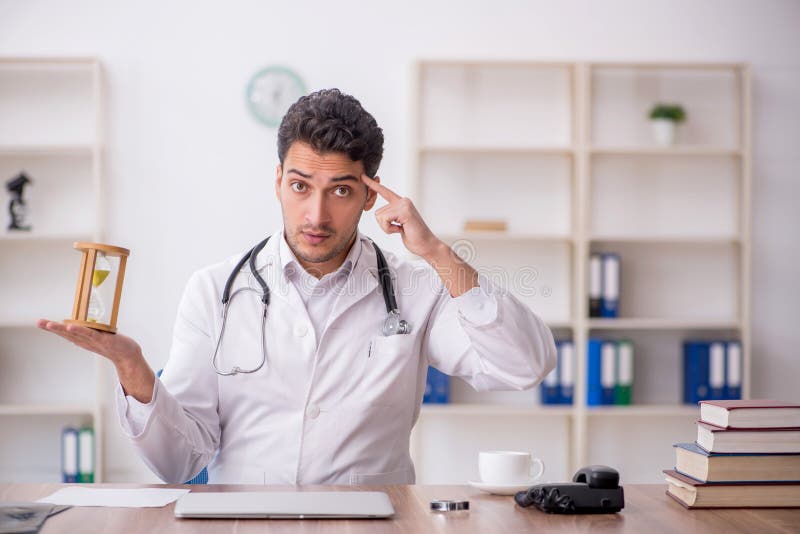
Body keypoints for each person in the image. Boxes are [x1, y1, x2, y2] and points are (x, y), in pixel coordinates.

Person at [38, 88, 556, 485]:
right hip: (245, 523)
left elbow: (524, 366)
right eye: (300, 186)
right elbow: (180, 463)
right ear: (278, 181)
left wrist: (438, 253)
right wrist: (132, 368)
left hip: (374, 523)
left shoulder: (415, 288)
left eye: (341, 191)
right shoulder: (214, 290)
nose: (316, 215)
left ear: (370, 197)